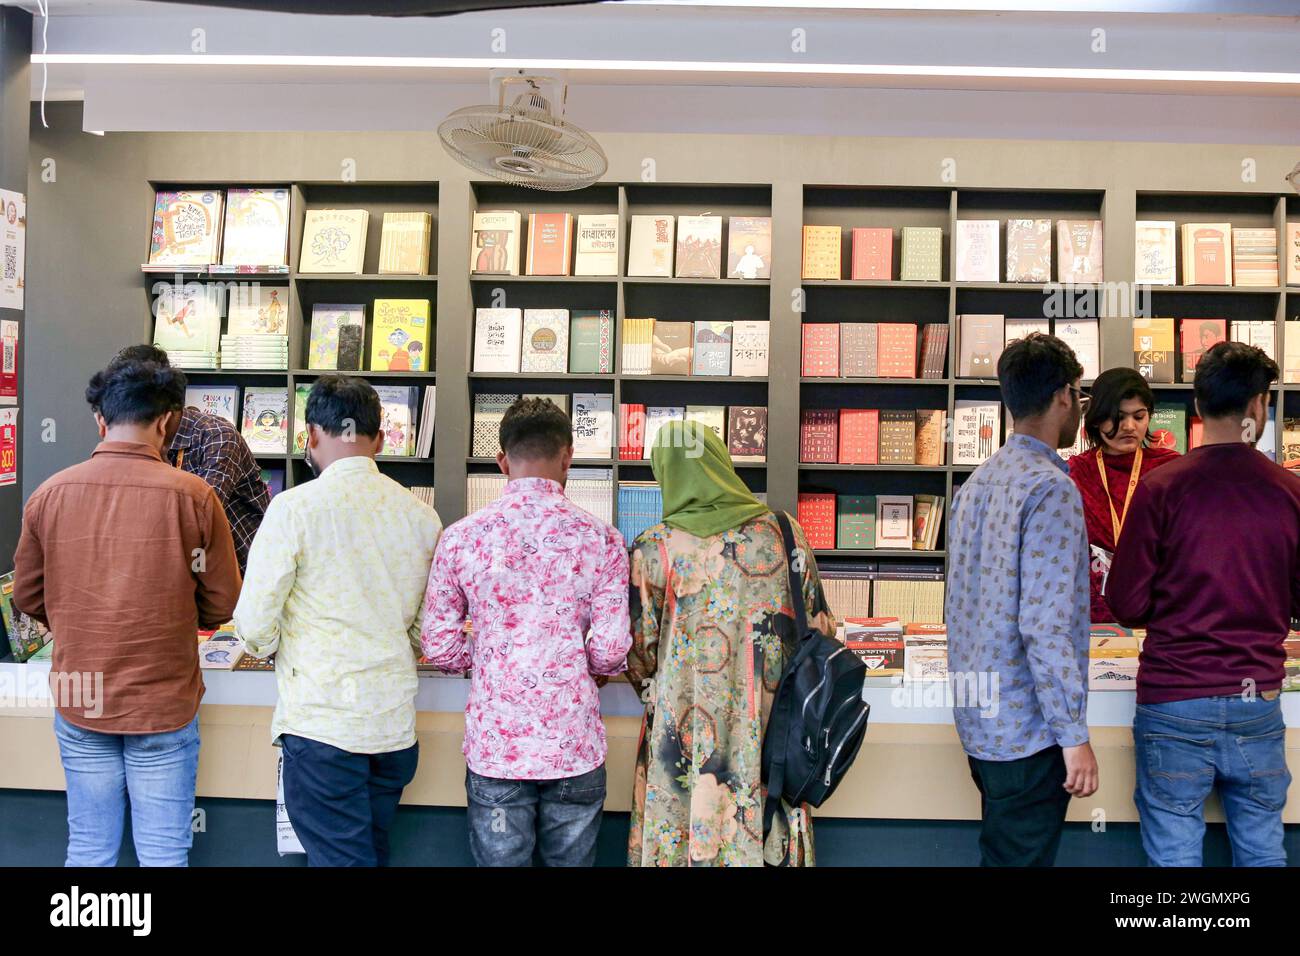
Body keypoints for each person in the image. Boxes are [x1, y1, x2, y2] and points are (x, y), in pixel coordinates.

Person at [13, 358, 242, 866]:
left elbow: (28, 597)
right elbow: (223, 602)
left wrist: (76, 616)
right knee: (163, 852)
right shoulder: (195, 497)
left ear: (100, 419)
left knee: (89, 849)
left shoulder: (49, 495)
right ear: (167, 422)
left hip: (80, 694)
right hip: (162, 698)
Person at [232, 375, 441, 867]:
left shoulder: (292, 509)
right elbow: (424, 630)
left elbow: (257, 626)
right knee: (368, 850)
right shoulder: (421, 516)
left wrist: (274, 645)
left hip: (323, 729)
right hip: (392, 731)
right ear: (382, 439)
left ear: (310, 436)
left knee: (342, 860)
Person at [1109, 341, 1296, 867]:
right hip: (1255, 698)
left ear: (1196, 406)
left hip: (1173, 696)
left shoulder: (1160, 487)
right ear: (1259, 406)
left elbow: (1125, 603)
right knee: (1262, 850)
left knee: (1174, 858)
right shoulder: (1289, 492)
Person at [421, 398, 630, 867]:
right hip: (573, 746)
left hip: (498, 748)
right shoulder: (602, 538)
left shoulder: (462, 537)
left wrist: (490, 659)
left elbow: (438, 643)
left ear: (502, 461)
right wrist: (585, 667)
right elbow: (612, 649)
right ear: (568, 457)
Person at [626, 420, 835, 867]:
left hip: (681, 741)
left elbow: (638, 659)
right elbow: (820, 627)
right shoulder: (785, 533)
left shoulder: (652, 550)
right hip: (772, 734)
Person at [946, 333, 1098, 867]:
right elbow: (1046, 624)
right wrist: (1074, 735)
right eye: (1079, 395)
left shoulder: (975, 483)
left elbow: (961, 602)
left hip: (980, 723)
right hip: (1029, 733)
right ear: (1062, 396)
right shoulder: (1051, 489)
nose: (1080, 406)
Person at [109, 345, 269, 573]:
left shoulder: (216, 436)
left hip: (239, 576)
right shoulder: (135, 441)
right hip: (180, 572)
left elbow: (198, 520)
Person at [1067, 367, 1179, 623]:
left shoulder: (1170, 469)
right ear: (1096, 418)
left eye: (1139, 416)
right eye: (1117, 417)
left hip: (1158, 608)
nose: (1129, 427)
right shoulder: (1076, 471)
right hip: (1089, 611)